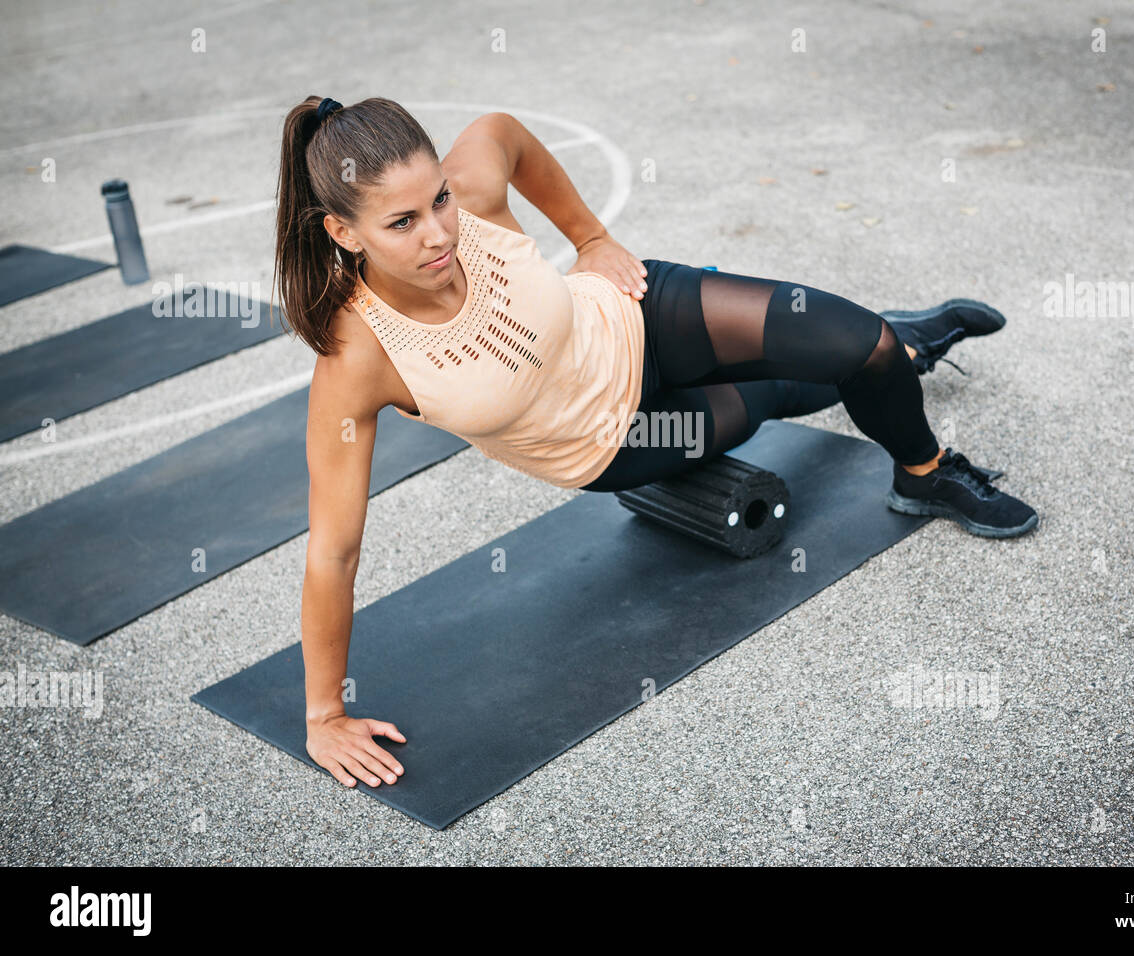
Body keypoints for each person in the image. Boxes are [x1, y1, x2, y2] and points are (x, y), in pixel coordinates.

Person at [272, 96, 1038, 790]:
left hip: (633, 314)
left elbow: (503, 130)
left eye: (438, 199)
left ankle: (921, 468)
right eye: (402, 224)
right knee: (782, 386)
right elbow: (332, 552)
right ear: (343, 231)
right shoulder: (359, 357)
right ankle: (907, 351)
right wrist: (321, 716)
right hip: (619, 440)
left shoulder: (468, 193)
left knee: (856, 345)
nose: (439, 234)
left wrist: (592, 237)